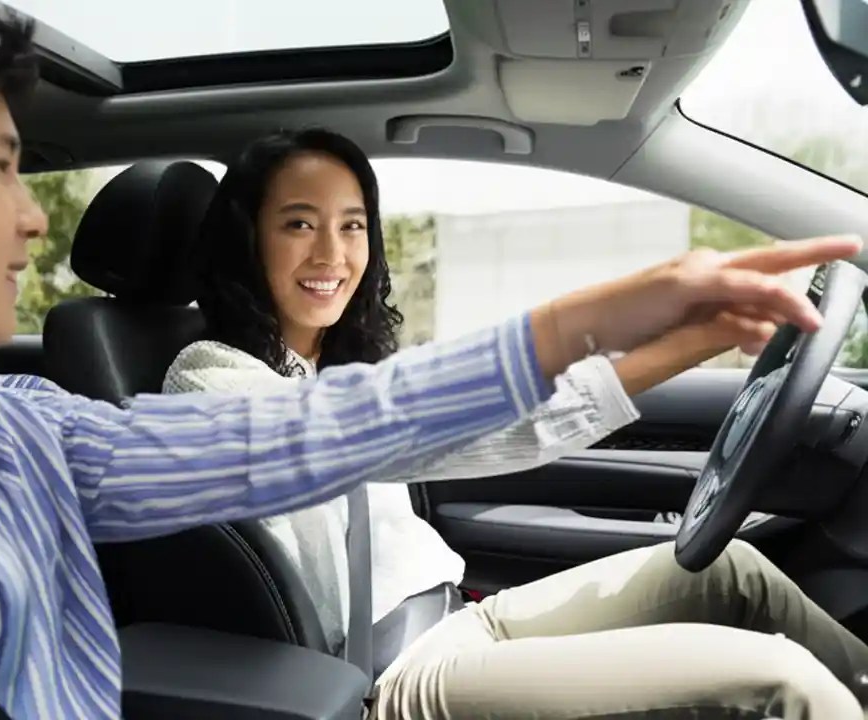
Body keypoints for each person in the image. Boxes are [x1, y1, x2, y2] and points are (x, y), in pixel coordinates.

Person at [0, 1, 859, 718]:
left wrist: (604, 325)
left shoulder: (27, 428)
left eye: (351, 225)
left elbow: (323, 431)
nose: (34, 216)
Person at [164, 127, 868, 719]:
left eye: (351, 225)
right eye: (297, 224)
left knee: (737, 572)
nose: (331, 254)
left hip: (461, 619)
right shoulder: (209, 377)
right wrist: (691, 333)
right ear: (246, 241)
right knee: (779, 681)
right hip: (389, 681)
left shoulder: (336, 366)